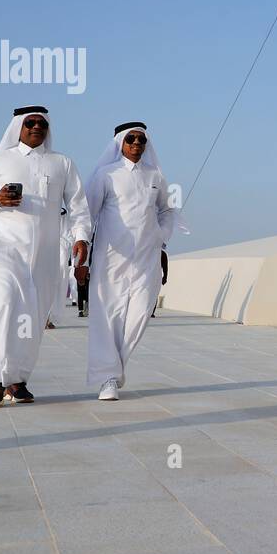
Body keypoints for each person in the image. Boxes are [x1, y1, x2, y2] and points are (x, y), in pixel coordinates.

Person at [0, 106, 92, 407]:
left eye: (42, 123)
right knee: (2, 306)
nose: (36, 127)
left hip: (45, 257)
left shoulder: (63, 163)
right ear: (18, 127)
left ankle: (17, 380)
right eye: (30, 123)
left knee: (33, 319)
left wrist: (81, 237)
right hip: (4, 251)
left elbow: (79, 207)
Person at [85, 122, 175, 401]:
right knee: (107, 317)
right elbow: (88, 214)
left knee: (138, 316)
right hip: (110, 258)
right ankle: (107, 378)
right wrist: (79, 254)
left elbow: (167, 210)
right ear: (120, 143)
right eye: (131, 139)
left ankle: (113, 369)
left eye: (141, 140)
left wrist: (161, 237)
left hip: (147, 259)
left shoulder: (156, 176)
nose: (137, 144)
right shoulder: (105, 175)